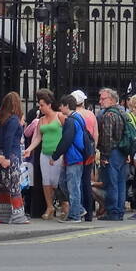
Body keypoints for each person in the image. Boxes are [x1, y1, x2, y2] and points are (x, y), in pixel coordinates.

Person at [51, 93, 93, 223]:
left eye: (61, 106)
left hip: (74, 157)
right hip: (76, 157)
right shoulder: (78, 117)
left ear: (66, 106)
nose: (59, 108)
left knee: (72, 186)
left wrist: (55, 155)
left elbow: (66, 140)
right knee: (65, 183)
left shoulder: (70, 121)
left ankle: (75, 215)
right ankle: (78, 209)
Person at [24, 89, 64, 220]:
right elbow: (37, 138)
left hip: (57, 154)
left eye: (42, 105)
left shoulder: (60, 116)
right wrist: (29, 149)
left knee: (56, 181)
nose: (40, 107)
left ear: (49, 104)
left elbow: (68, 133)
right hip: (44, 153)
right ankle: (49, 206)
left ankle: (63, 204)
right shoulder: (41, 120)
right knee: (45, 181)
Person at [96, 88, 133, 221]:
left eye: (103, 98)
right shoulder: (122, 112)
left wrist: (104, 156)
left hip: (112, 152)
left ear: (111, 99)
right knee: (121, 183)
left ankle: (113, 212)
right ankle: (120, 210)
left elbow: (106, 137)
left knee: (111, 183)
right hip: (123, 152)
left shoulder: (108, 115)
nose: (100, 101)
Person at [0, 92, 29, 224]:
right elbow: (9, 138)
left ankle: (4, 214)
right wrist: (7, 157)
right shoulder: (13, 119)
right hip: (11, 155)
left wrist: (0, 155)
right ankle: (18, 216)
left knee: (3, 186)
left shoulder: (0, 118)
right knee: (14, 185)